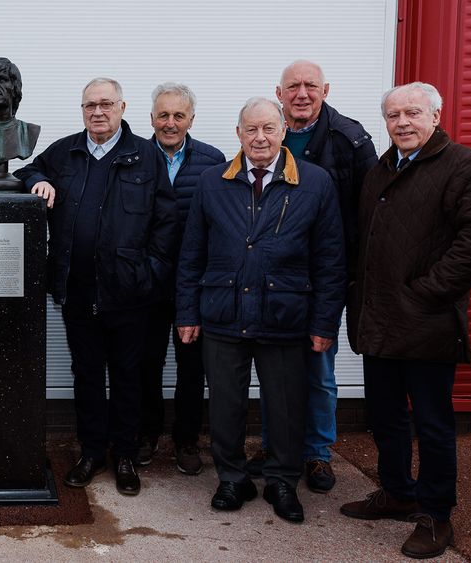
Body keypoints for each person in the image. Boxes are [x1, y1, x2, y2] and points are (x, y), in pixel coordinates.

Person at [341, 82, 471, 559]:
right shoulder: (380, 170)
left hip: (427, 322)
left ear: (436, 116)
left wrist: (429, 291)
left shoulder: (464, 166)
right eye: (393, 115)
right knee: (385, 417)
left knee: (433, 425)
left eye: (413, 113)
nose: (402, 123)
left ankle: (436, 514)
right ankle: (397, 491)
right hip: (379, 324)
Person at [175, 97, 345, 523]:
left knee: (286, 405)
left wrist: (325, 321)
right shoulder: (213, 181)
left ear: (284, 129)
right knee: (226, 406)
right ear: (238, 134)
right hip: (222, 314)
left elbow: (330, 260)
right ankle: (232, 478)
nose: (260, 137)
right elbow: (191, 254)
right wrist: (187, 313)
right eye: (251, 129)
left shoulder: (316, 182)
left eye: (269, 128)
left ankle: (282, 481)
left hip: (285, 316)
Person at [15, 78, 177, 496]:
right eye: (90, 105)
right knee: (86, 373)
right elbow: (24, 171)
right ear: (82, 109)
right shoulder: (65, 151)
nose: (98, 112)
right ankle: (91, 452)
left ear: (123, 107)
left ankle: (124, 455)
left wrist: (150, 272)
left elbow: (166, 221)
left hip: (129, 294)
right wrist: (39, 179)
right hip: (78, 291)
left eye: (106, 104)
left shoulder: (145, 155)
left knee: (127, 376)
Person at [247, 60, 378, 492]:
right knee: (273, 369)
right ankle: (272, 446)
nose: (301, 94)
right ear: (279, 93)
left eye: (310, 86)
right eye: (292, 87)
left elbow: (369, 210)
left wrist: (351, 274)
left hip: (323, 274)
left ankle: (318, 454)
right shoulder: (266, 131)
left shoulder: (350, 139)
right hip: (272, 276)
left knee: (319, 367)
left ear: (325, 89)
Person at [138, 82, 225, 474]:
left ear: (191, 118)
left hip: (196, 284)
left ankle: (186, 441)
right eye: (163, 115)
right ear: (151, 118)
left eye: (178, 115)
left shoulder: (214, 160)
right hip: (147, 283)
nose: (170, 123)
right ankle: (146, 435)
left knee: (193, 369)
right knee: (145, 364)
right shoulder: (135, 157)